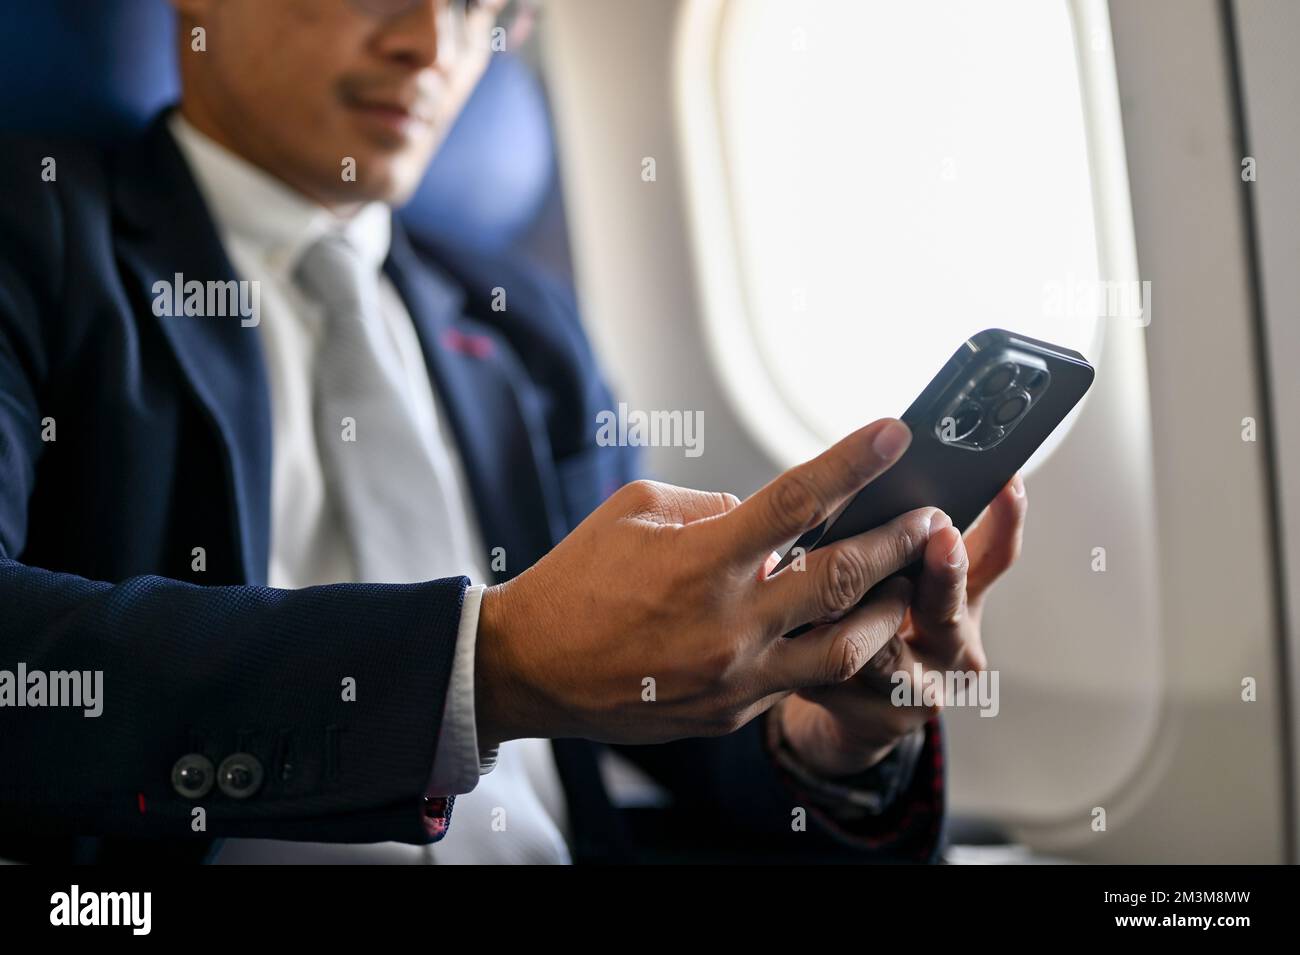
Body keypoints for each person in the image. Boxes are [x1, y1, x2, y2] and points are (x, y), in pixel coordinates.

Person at [0, 0, 1025, 864]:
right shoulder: (34, 239)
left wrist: (827, 739)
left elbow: (676, 713)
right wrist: (486, 667)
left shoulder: (522, 326)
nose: (436, 43)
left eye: (485, 7)